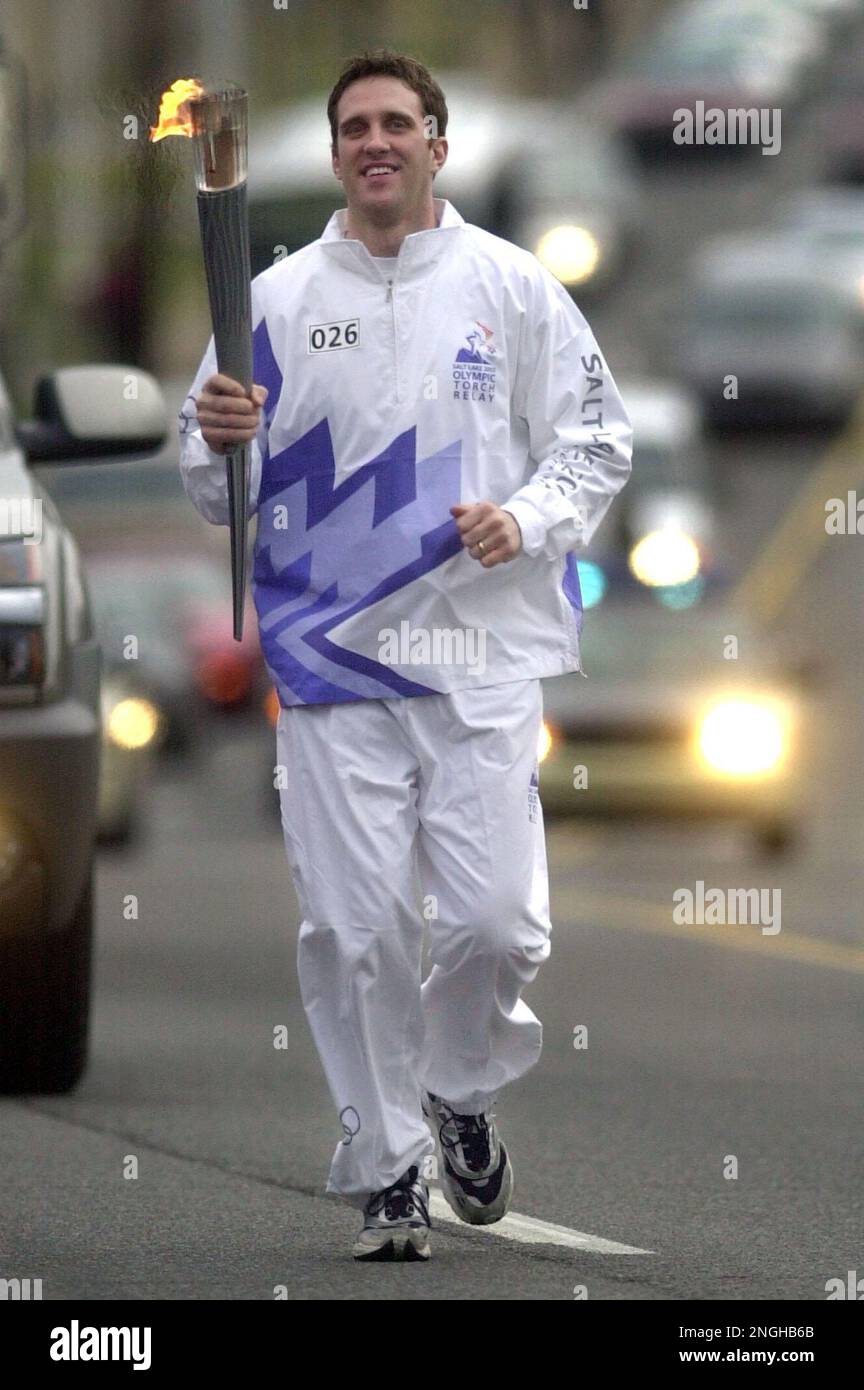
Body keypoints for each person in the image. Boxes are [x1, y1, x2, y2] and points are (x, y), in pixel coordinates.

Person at [178, 49, 633, 1263]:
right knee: (359, 927)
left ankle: (459, 1089)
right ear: (337, 155)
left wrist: (522, 518)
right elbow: (211, 476)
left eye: (398, 123)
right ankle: (387, 1165)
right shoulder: (272, 301)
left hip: (479, 654)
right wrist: (217, 435)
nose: (375, 141)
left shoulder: (513, 287)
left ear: (437, 145)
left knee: (494, 925)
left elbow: (596, 441)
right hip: (330, 664)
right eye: (354, 127)